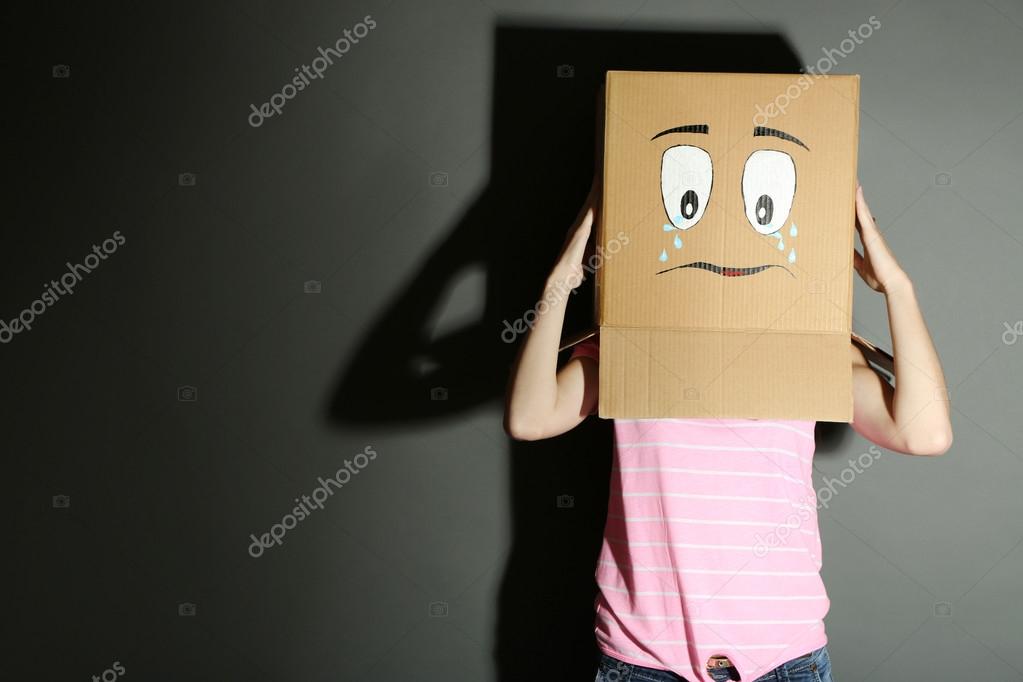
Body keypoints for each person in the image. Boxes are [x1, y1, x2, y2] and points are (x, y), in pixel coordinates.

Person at [503, 175, 953, 682]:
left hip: (785, 661)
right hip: (646, 660)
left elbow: (925, 433)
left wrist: (897, 286)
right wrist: (563, 277)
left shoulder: (813, 352)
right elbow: (529, 417)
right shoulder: (627, 346)